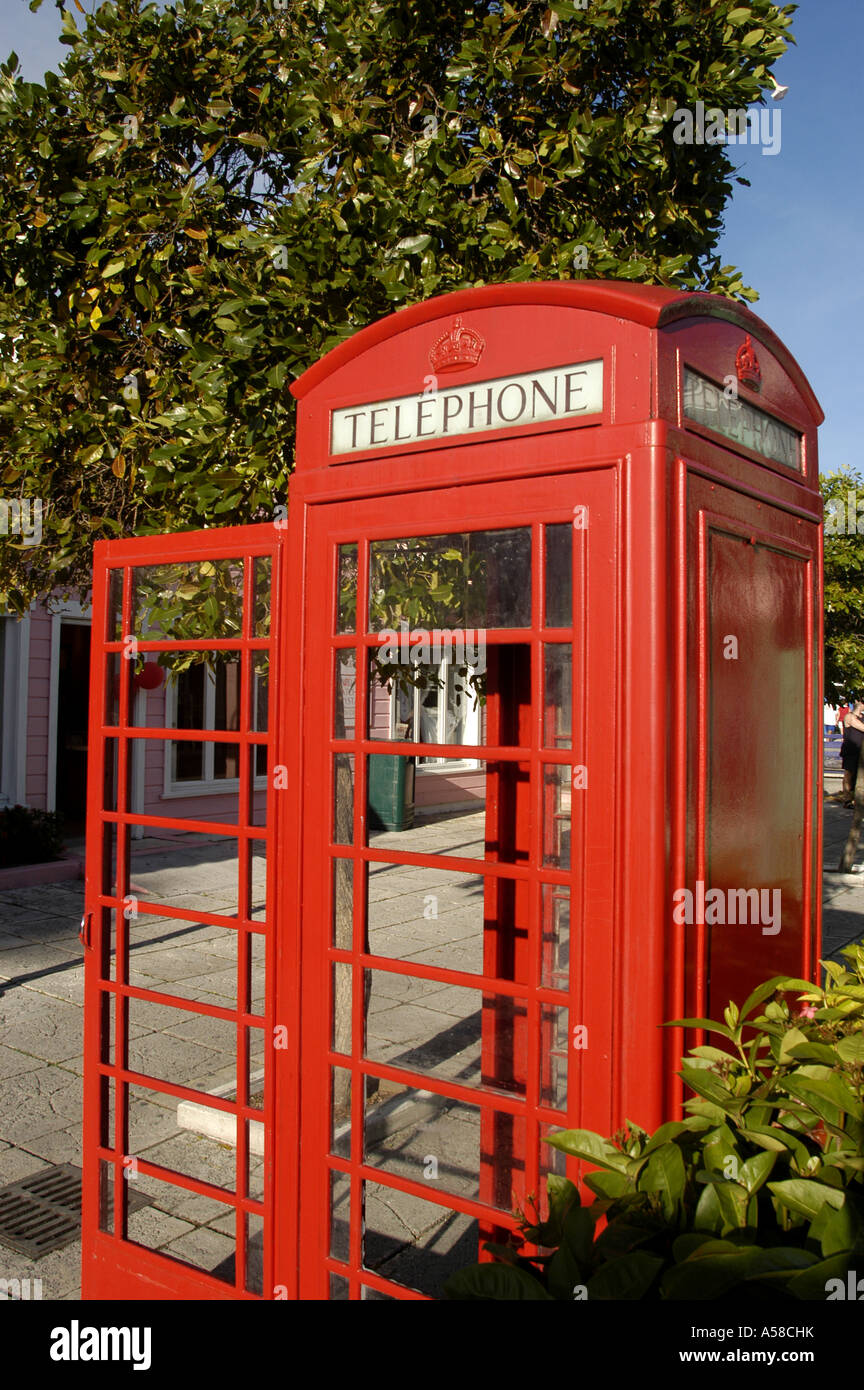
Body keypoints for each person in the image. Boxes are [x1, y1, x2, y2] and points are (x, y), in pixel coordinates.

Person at [839, 700, 864, 807]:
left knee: (859, 775)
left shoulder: (862, 717)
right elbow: (861, 727)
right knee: (849, 774)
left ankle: (857, 798)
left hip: (860, 751)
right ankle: (847, 799)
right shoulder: (849, 717)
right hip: (850, 750)